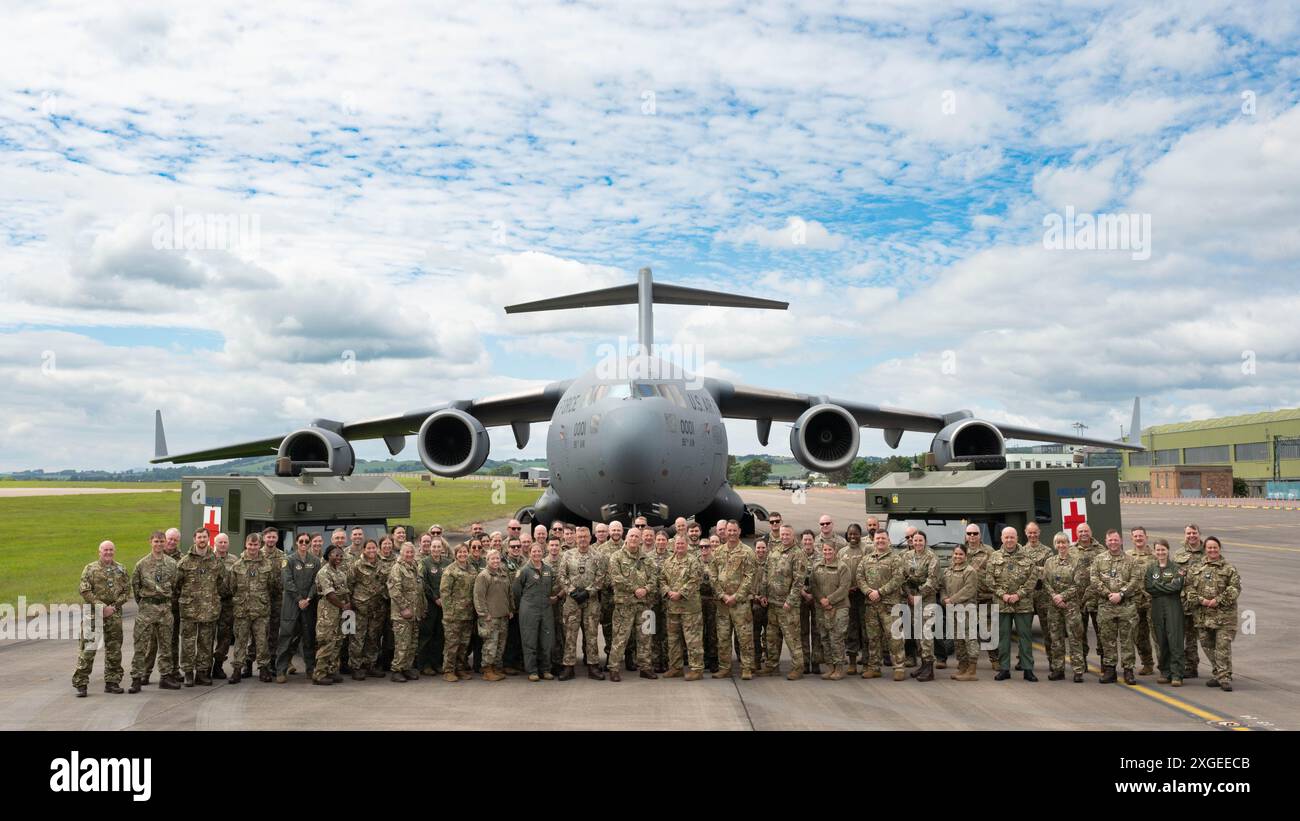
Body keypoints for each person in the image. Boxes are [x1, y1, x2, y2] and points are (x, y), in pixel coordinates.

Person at [72, 540, 129, 697]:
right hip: (94, 614)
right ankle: (81, 683)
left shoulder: (121, 569)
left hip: (114, 614)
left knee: (114, 650)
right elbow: (84, 590)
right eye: (105, 550)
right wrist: (101, 607)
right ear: (99, 551)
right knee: (88, 649)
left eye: (111, 550)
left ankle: (112, 681)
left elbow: (126, 592)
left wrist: (113, 607)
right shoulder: (90, 568)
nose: (108, 552)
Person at [128, 530, 181, 692]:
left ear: (165, 543)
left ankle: (165, 677)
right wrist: (146, 603)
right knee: (141, 646)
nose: (159, 544)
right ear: (150, 542)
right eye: (156, 541)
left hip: (165, 609)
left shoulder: (172, 564)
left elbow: (175, 586)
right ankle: (137, 678)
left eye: (161, 541)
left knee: (166, 645)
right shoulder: (142, 564)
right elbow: (136, 588)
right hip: (147, 610)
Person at [1187, 537, 1240, 691]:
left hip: (1224, 616)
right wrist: (1200, 600)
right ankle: (1219, 673)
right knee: (1207, 646)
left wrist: (1218, 600)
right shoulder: (1196, 568)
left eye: (1215, 547)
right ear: (1205, 549)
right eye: (1209, 548)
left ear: (1219, 548)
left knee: (1222, 646)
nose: (1212, 550)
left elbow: (1235, 588)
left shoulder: (1229, 568)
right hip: (1203, 615)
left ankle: (1224, 678)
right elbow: (1188, 588)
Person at [605, 529, 659, 681]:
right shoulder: (616, 557)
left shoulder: (647, 559)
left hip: (645, 605)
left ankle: (645, 667)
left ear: (640, 539)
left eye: (637, 536)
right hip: (625, 605)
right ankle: (614, 668)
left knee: (646, 637)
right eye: (631, 536)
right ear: (626, 538)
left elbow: (654, 578)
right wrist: (635, 589)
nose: (634, 538)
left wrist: (646, 589)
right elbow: (616, 578)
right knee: (620, 637)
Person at [228, 532, 280, 684]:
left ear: (259, 545)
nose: (252, 548)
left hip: (261, 611)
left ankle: (264, 669)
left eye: (255, 545)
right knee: (240, 642)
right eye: (250, 544)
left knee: (262, 642)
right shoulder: (237, 565)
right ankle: (237, 670)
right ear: (246, 544)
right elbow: (231, 587)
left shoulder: (267, 565)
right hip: (242, 610)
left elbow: (273, 586)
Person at [1091, 529, 1141, 685]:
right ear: (1106, 542)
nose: (1113, 543)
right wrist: (1108, 594)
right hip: (1106, 606)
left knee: (1127, 640)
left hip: (1126, 607)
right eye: (1110, 540)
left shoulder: (1130, 560)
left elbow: (1135, 580)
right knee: (1108, 640)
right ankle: (1110, 670)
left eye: (1115, 540)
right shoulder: (1099, 559)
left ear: (1120, 541)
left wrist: (1121, 594)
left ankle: (1128, 671)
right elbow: (1094, 579)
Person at [176, 528, 226, 687]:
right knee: (188, 642)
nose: (202, 540)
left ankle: (202, 672)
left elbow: (221, 584)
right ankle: (188, 673)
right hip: (189, 610)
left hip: (209, 609)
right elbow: (176, 585)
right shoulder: (184, 562)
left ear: (208, 539)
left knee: (206, 643)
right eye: (199, 537)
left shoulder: (216, 561)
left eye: (204, 537)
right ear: (194, 539)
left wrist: (214, 599)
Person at [987, 527, 1037, 682]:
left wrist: (1018, 595)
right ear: (1001, 538)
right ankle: (1004, 669)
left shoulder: (1027, 556)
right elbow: (989, 580)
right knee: (1003, 638)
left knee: (1025, 638)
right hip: (1002, 604)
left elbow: (1033, 579)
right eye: (1006, 537)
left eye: (1012, 537)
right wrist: (1004, 595)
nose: (1009, 540)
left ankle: (1028, 669)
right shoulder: (994, 557)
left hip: (1023, 605)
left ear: (1017, 538)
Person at [857, 530, 905, 680]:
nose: (880, 541)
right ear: (874, 541)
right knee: (873, 638)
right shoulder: (866, 559)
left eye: (883, 538)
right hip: (871, 605)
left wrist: (880, 592)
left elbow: (898, 579)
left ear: (888, 540)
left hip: (889, 605)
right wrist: (867, 591)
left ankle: (899, 667)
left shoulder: (895, 559)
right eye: (878, 538)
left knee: (894, 637)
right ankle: (874, 667)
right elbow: (859, 577)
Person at [558, 526, 605, 680]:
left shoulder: (597, 556)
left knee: (591, 635)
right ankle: (568, 667)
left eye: (585, 536)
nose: (583, 539)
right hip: (572, 601)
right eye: (580, 537)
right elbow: (561, 575)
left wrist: (589, 591)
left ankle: (593, 666)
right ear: (575, 538)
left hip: (591, 601)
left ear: (590, 538)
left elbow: (601, 577)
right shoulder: (567, 555)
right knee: (570, 634)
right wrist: (571, 590)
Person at [711, 520, 756, 679]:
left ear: (739, 531)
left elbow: (749, 577)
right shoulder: (718, 552)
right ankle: (724, 668)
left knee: (744, 638)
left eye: (734, 530)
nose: (731, 533)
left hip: (740, 604)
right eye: (729, 530)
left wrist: (736, 596)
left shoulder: (747, 552)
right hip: (722, 604)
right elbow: (713, 576)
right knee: (723, 638)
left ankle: (746, 668)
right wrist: (722, 595)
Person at [761, 524, 806, 679]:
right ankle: (771, 665)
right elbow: (766, 571)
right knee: (771, 637)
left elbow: (799, 581)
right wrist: (764, 593)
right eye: (782, 534)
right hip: (773, 603)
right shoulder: (774, 550)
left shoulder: (798, 554)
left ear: (793, 535)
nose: (784, 537)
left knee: (792, 637)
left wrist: (790, 600)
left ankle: (798, 668)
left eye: (787, 534)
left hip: (787, 606)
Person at [275, 533, 320, 683]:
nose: (304, 543)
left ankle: (310, 669)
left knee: (309, 637)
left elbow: (316, 582)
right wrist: (299, 599)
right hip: (291, 604)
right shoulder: (288, 560)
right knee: (286, 637)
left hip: (308, 604)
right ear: (296, 542)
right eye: (301, 541)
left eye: (306, 541)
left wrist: (308, 598)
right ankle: (281, 670)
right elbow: (287, 581)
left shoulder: (315, 561)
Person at [1041, 531, 1087, 682]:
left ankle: (1078, 670)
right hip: (1054, 606)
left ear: (1068, 544)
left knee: (1075, 638)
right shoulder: (1049, 562)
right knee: (1056, 639)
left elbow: (1079, 584)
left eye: (1064, 542)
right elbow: (1045, 582)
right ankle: (1058, 669)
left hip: (1071, 606)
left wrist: (1063, 596)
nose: (1061, 545)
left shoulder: (1077, 562)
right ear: (1055, 545)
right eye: (1058, 543)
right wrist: (1055, 596)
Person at [660, 534, 705, 680]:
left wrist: (680, 593)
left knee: (692, 640)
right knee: (673, 640)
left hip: (689, 608)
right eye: (677, 544)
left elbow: (695, 580)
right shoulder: (668, 562)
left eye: (682, 544)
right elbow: (662, 579)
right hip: (672, 608)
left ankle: (697, 669)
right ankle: (676, 667)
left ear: (686, 545)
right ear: (674, 546)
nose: (679, 546)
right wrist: (667, 591)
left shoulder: (694, 562)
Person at [142, 527, 183, 682]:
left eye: (175, 540)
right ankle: (145, 672)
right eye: (169, 539)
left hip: (172, 608)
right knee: (151, 642)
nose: (171, 542)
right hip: (153, 607)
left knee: (172, 641)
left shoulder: (181, 559)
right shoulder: (152, 558)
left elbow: (179, 583)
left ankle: (172, 671)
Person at [1145, 538, 1185, 686]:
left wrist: (1158, 586)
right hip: (1156, 607)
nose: (1160, 552)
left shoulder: (1176, 568)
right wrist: (1164, 586)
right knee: (1161, 640)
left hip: (1173, 606)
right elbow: (1149, 587)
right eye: (1158, 550)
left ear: (1168, 551)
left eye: (1163, 549)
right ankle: (1165, 671)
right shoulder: (1151, 568)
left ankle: (1177, 674)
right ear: (1154, 551)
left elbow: (1176, 587)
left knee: (1175, 640)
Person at [514, 544, 557, 681]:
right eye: (534, 551)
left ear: (543, 552)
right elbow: (516, 591)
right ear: (530, 553)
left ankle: (546, 669)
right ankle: (532, 670)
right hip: (529, 609)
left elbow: (553, 587)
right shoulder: (524, 570)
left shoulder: (548, 570)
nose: (537, 553)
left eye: (539, 551)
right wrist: (523, 605)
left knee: (547, 640)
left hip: (545, 609)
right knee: (529, 640)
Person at [901, 530, 940, 682]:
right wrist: (909, 594)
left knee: (926, 633)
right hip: (911, 599)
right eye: (914, 540)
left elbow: (932, 580)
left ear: (925, 541)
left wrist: (918, 595)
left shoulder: (932, 557)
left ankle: (929, 668)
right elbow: (901, 576)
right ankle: (923, 664)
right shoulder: (907, 556)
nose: (917, 543)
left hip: (926, 600)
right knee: (918, 633)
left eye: (920, 540)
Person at [312, 544, 353, 685]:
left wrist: (348, 607)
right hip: (328, 613)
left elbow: (345, 592)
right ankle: (319, 674)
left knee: (338, 642)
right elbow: (329, 594)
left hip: (342, 613)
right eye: (336, 555)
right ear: (328, 555)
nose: (339, 558)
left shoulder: (341, 573)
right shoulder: (324, 572)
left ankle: (332, 670)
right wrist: (343, 605)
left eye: (341, 555)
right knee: (326, 643)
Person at [940, 544, 980, 681]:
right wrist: (944, 598)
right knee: (958, 640)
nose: (957, 556)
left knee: (970, 638)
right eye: (955, 554)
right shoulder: (947, 571)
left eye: (960, 554)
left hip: (966, 610)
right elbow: (942, 587)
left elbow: (969, 589)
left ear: (966, 555)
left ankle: (972, 670)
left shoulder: (970, 571)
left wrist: (952, 600)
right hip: (953, 610)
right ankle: (963, 667)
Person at [812, 542, 851, 680]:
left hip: (839, 607)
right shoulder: (817, 566)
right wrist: (822, 599)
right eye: (825, 550)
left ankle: (839, 668)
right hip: (822, 607)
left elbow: (844, 588)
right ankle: (830, 667)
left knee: (837, 637)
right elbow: (813, 585)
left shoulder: (842, 567)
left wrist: (829, 600)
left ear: (835, 551)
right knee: (825, 637)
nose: (827, 552)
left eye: (830, 550)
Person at [1173, 524, 1207, 678]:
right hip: (1185, 603)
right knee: (1189, 637)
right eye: (1188, 533)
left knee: (1209, 639)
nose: (1191, 536)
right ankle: (1191, 666)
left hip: (1204, 603)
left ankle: (1221, 669)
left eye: (1194, 533)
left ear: (1199, 534)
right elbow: (1172, 576)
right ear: (1184, 535)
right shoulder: (1178, 554)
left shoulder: (1209, 551)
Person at [439, 543, 477, 681]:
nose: (462, 554)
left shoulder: (472, 569)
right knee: (452, 644)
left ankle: (460, 668)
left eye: (464, 552)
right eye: (459, 552)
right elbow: (444, 593)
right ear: (455, 555)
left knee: (464, 644)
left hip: (468, 614)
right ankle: (448, 670)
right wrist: (449, 613)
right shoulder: (450, 571)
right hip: (453, 616)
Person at [473, 549, 513, 681]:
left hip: (503, 615)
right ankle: (487, 669)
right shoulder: (483, 576)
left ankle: (496, 667)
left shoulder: (503, 574)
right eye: (493, 559)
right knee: (490, 644)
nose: (496, 561)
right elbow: (478, 597)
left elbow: (509, 593)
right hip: (490, 617)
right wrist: (484, 614)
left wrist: (511, 609)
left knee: (500, 644)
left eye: (498, 559)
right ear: (487, 560)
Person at [1071, 521, 1105, 670]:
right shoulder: (1071, 551)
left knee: (1102, 632)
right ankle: (1081, 662)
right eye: (1080, 532)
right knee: (1080, 633)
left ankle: (1106, 662)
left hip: (1098, 599)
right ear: (1076, 534)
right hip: (1078, 600)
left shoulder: (1101, 550)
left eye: (1086, 531)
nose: (1083, 534)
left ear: (1090, 532)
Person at [387, 542, 424, 681]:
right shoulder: (397, 568)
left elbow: (419, 591)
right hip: (402, 614)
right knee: (402, 643)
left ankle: (407, 668)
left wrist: (421, 609)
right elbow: (394, 591)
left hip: (415, 613)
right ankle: (397, 670)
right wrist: (404, 608)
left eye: (411, 552)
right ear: (401, 553)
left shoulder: (414, 567)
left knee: (412, 643)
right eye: (406, 552)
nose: (409, 555)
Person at [1021, 522, 1053, 672]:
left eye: (1035, 533)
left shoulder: (1047, 552)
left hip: (1042, 595)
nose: (1032, 536)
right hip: (1026, 595)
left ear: (1039, 533)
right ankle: (1023, 660)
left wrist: (1031, 570)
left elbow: (1048, 571)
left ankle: (1054, 661)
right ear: (1025, 533)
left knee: (1048, 630)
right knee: (1024, 630)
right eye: (1030, 533)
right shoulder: (1020, 551)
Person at [838, 523, 868, 674]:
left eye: (855, 534)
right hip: (848, 596)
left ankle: (867, 662)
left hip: (863, 595)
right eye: (850, 534)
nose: (853, 537)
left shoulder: (866, 549)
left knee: (866, 629)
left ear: (860, 534)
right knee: (851, 629)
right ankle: (852, 662)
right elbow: (838, 573)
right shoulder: (842, 551)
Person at [1127, 526, 1156, 676]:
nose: (1138, 538)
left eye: (1141, 536)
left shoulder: (1155, 555)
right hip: (1135, 602)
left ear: (1146, 537)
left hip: (1152, 602)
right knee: (1139, 635)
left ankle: (1165, 665)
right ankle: (1147, 664)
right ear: (1132, 538)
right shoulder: (1127, 556)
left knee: (1158, 635)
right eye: (1135, 536)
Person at [210, 532, 238, 680]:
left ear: (228, 543)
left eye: (225, 542)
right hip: (210, 603)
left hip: (227, 605)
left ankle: (218, 665)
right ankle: (205, 667)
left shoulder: (234, 560)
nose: (222, 545)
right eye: (220, 542)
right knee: (207, 636)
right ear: (215, 543)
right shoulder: (209, 559)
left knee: (225, 636)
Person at [417, 540, 447, 675]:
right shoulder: (424, 562)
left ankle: (437, 663)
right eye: (433, 547)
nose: (436, 549)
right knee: (427, 634)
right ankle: (425, 664)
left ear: (442, 548)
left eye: (438, 547)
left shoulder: (447, 562)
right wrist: (435, 598)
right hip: (430, 603)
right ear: (430, 548)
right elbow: (424, 583)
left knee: (440, 634)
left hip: (445, 604)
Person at [797, 530, 823, 673]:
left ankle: (816, 661)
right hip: (801, 597)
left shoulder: (821, 556)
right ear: (801, 541)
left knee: (817, 630)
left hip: (817, 598)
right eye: (805, 540)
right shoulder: (797, 556)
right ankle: (806, 661)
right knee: (803, 631)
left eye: (810, 540)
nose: (807, 542)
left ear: (814, 541)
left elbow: (824, 577)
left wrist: (814, 595)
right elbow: (793, 577)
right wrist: (803, 593)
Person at [699, 536, 718, 672]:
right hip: (699, 600)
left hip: (713, 600)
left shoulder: (716, 562)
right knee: (700, 631)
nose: (704, 549)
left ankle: (713, 659)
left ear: (711, 548)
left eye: (707, 546)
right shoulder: (695, 563)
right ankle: (703, 658)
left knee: (713, 631)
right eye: (702, 547)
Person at [750, 539, 768, 672]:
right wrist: (756, 597)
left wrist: (766, 597)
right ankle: (756, 660)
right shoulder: (750, 564)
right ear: (754, 549)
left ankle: (769, 660)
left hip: (769, 604)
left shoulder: (771, 563)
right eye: (758, 548)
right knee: (754, 634)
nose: (761, 551)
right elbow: (745, 584)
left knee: (770, 634)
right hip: (754, 605)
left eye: (763, 548)